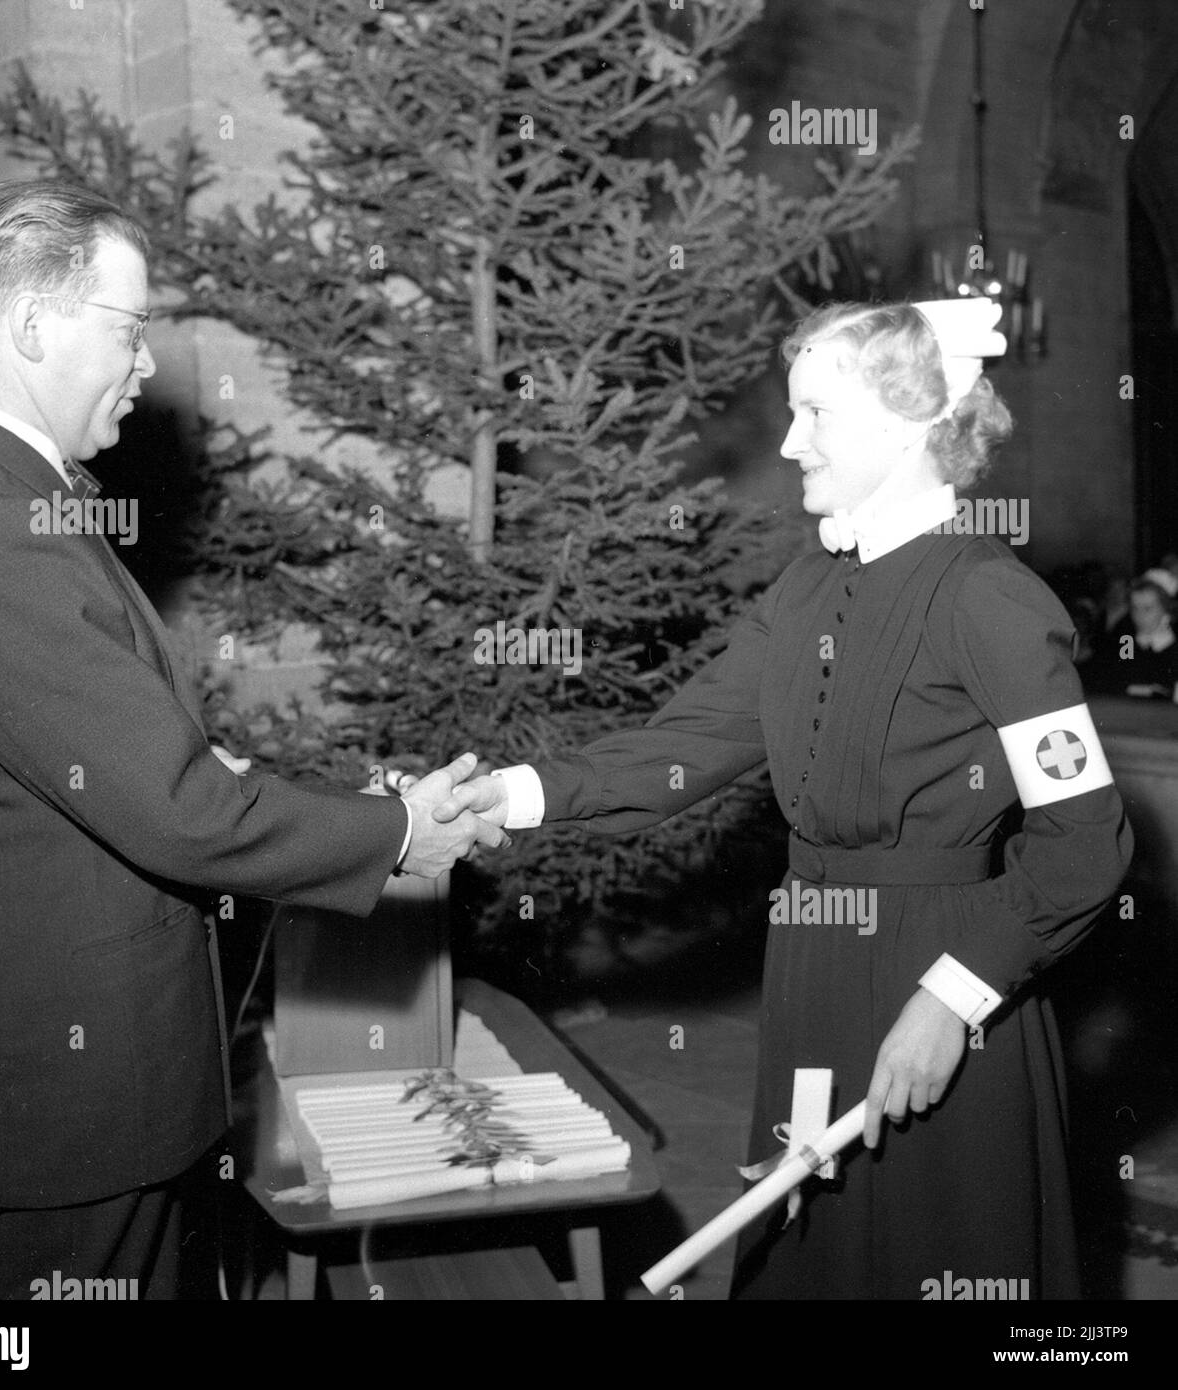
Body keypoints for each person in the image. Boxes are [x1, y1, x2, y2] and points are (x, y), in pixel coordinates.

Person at [0, 179, 505, 1300]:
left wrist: (327, 800)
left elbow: (114, 760)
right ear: (31, 325)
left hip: (43, 1074)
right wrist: (400, 831)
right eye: (128, 329)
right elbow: (173, 804)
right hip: (69, 1096)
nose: (142, 363)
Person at [441, 298, 1133, 1299]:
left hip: (946, 975)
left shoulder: (992, 598)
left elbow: (1084, 843)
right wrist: (506, 795)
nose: (789, 439)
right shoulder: (808, 588)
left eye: (815, 413)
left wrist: (954, 997)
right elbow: (681, 748)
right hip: (812, 960)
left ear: (903, 423)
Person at [1083, 574, 1178, 699]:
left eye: (1147, 609)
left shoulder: (1174, 647)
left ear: (1166, 609)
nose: (1139, 616)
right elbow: (1107, 676)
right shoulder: (1127, 642)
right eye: (1134, 608)